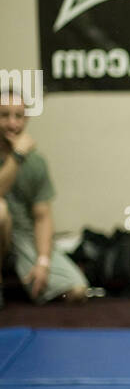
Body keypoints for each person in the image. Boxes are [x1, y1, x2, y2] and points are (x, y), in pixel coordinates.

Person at [0, 94, 88, 307]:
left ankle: (25, 282)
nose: (13, 123)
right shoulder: (21, 155)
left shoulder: (36, 162)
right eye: (4, 116)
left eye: (18, 116)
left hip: (23, 239)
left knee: (76, 291)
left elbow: (42, 216)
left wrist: (43, 262)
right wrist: (17, 156)